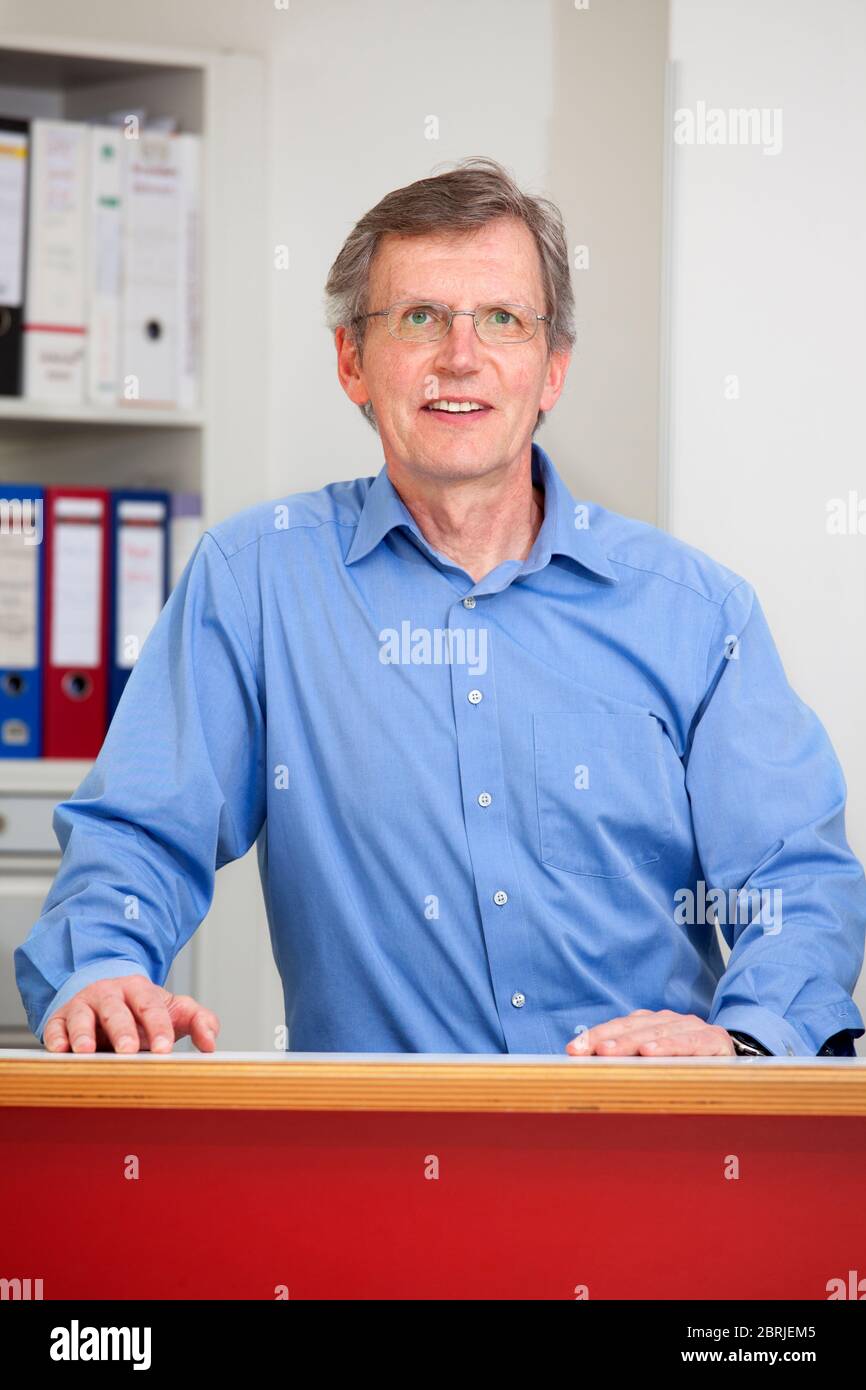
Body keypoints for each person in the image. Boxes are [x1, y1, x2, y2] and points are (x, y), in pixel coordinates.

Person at [15, 157, 865, 1059]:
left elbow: (795, 885)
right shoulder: (255, 582)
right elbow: (141, 831)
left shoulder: (697, 615)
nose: (461, 357)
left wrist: (739, 1042)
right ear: (352, 360)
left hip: (650, 1160)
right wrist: (99, 966)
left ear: (552, 371)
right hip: (371, 1174)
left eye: (502, 319)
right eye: (419, 317)